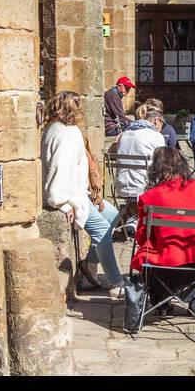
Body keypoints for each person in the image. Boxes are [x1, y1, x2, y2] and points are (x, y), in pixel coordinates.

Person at [41, 91, 124, 297]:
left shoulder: (52, 128)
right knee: (103, 230)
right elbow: (59, 171)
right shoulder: (68, 133)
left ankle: (90, 263)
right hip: (71, 195)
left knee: (113, 215)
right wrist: (64, 203)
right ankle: (116, 282)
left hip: (78, 192)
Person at [129, 147, 195, 313]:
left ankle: (162, 302)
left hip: (163, 263)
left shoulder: (148, 197)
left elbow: (142, 236)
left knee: (148, 256)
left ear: (156, 168)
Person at [112, 111, 167, 202]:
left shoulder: (124, 134)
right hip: (145, 187)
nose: (163, 128)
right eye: (163, 125)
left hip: (121, 187)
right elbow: (163, 163)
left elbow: (112, 154)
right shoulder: (156, 136)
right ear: (157, 121)